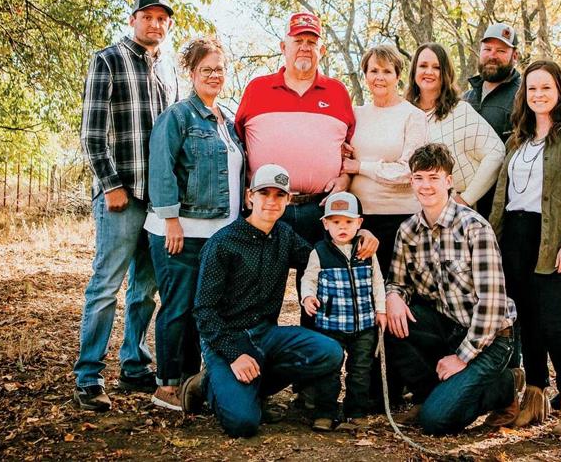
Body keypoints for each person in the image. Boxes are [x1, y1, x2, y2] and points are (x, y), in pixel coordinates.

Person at [185, 165, 379, 437]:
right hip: (228, 340)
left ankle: (251, 387)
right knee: (243, 424)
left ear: (288, 200)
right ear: (250, 196)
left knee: (330, 352)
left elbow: (320, 259)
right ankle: (209, 383)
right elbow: (203, 311)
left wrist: (359, 236)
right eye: (265, 194)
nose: (272, 202)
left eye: (280, 195)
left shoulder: (284, 235)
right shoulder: (223, 243)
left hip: (266, 335)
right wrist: (233, 355)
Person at [74, 0, 178, 411]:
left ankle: (134, 362)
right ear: (134, 19)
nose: (155, 24)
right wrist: (111, 185)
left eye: (162, 19)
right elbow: (92, 133)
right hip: (122, 196)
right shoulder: (108, 60)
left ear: (168, 26)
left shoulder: (167, 70)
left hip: (157, 202)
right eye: (147, 17)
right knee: (105, 287)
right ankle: (88, 376)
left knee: (144, 290)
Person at [383, 143, 523, 435]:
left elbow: (493, 305)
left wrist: (462, 357)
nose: (426, 185)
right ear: (411, 181)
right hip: (446, 327)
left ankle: (506, 386)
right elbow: (397, 282)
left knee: (437, 422)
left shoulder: (474, 227)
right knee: (391, 325)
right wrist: (393, 296)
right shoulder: (408, 231)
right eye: (419, 177)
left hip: (489, 338)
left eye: (434, 178)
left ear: (449, 181)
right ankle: (430, 395)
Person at [489, 60, 561, 435]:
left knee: (553, 323)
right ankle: (534, 401)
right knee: (528, 323)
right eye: (532, 88)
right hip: (515, 238)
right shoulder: (516, 140)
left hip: (552, 238)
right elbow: (504, 196)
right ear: (524, 94)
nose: (538, 95)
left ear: (559, 92)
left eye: (546, 88)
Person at [233, 12, 358, 318]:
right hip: (270, 208)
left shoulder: (338, 92)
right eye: (298, 41)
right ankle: (258, 354)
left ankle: (311, 360)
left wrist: (344, 182)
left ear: (322, 50)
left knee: (317, 288)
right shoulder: (257, 89)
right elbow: (238, 147)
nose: (304, 47)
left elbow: (350, 152)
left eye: (311, 42)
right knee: (261, 286)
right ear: (283, 46)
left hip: (320, 208)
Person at [145, 36, 243, 411]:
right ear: (191, 72)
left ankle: (191, 380)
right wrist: (170, 219)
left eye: (219, 69)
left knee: (203, 309)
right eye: (206, 70)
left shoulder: (228, 121)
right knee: (177, 307)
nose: (214, 75)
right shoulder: (178, 116)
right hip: (181, 232)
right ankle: (167, 385)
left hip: (218, 234)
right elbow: (161, 169)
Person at [300, 192, 387, 431]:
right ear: (326, 224)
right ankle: (325, 412)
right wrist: (307, 297)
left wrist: (381, 311)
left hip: (364, 325)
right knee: (329, 370)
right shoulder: (319, 252)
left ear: (359, 223)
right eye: (336, 222)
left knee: (360, 371)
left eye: (348, 222)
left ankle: (355, 413)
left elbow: (377, 282)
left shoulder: (366, 252)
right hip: (331, 324)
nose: (342, 227)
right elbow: (309, 279)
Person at [342, 44, 428, 276]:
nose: (379, 77)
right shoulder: (356, 114)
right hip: (358, 218)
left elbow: (408, 172)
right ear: (366, 75)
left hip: (400, 218)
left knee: (397, 291)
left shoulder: (413, 116)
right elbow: (343, 157)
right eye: (374, 71)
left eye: (387, 71)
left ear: (398, 76)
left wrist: (360, 166)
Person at [406, 42, 504, 212]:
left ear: (445, 73)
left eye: (436, 67)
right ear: (414, 70)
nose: (429, 72)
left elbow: (496, 153)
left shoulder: (460, 111)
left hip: (452, 215)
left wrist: (465, 199)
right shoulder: (405, 113)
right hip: (410, 213)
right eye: (423, 66)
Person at [463, 23, 522, 217]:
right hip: (465, 201)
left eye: (501, 50)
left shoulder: (524, 97)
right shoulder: (466, 98)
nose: (492, 55)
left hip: (504, 204)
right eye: (487, 49)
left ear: (515, 56)